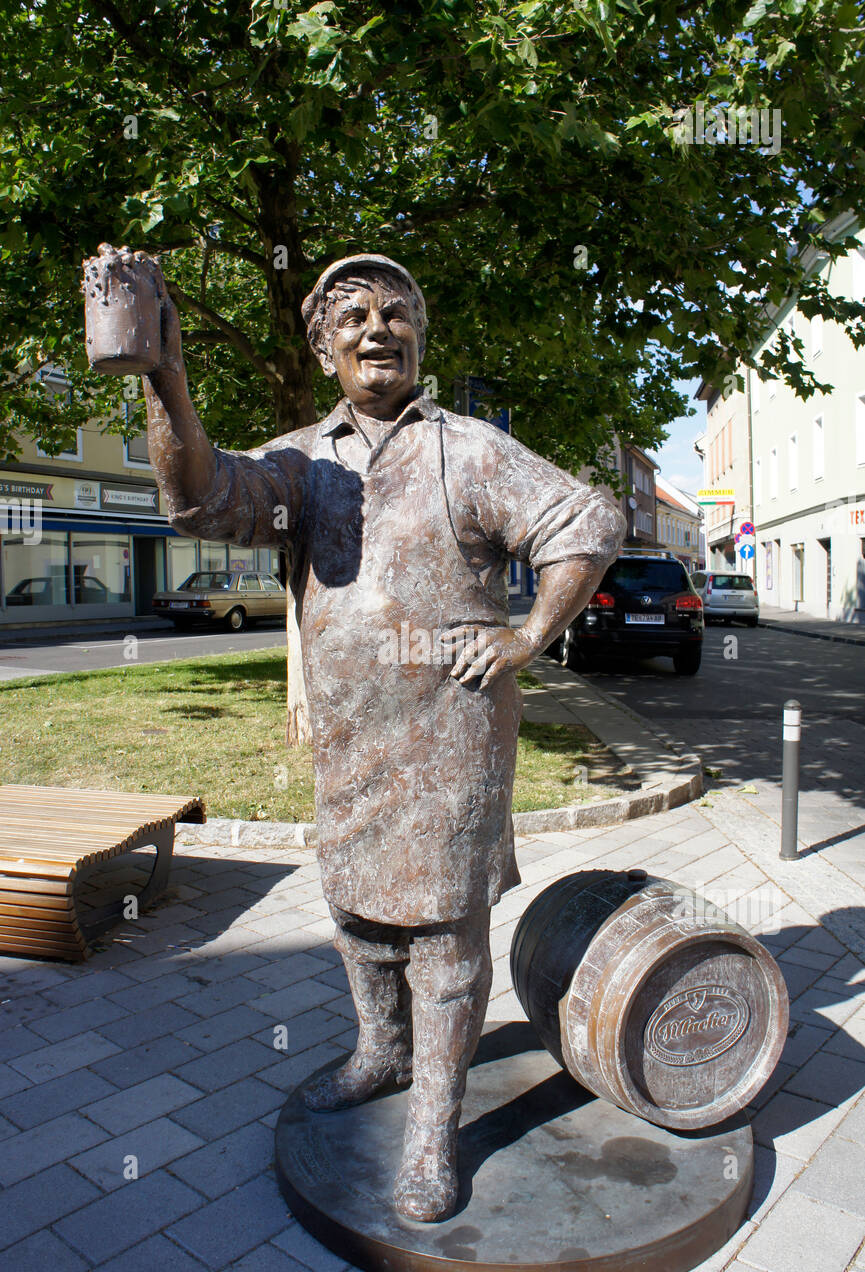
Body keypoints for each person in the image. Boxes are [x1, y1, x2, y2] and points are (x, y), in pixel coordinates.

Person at [137, 250, 625, 1222]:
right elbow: (196, 494)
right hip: (353, 743)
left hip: (452, 740)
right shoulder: (301, 464)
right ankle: (380, 1053)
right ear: (323, 350)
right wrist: (164, 375)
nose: (376, 328)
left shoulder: (470, 449)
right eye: (352, 316)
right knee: (357, 910)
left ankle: (433, 1128)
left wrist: (529, 633)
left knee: (445, 935)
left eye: (395, 313)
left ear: (419, 338)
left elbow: (588, 517)